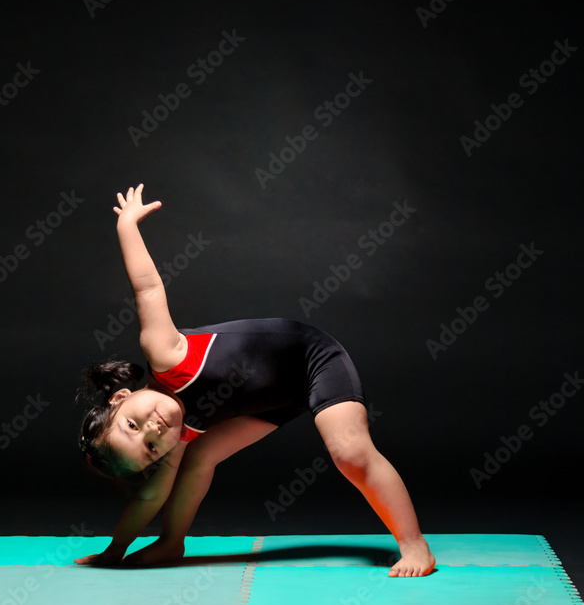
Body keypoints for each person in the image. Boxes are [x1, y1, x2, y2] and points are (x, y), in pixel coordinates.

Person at [75, 185, 435, 577]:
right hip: (277, 398)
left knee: (349, 452)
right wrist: (116, 549)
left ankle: (415, 546)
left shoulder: (166, 354)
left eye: (133, 423)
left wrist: (127, 224)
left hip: (313, 360)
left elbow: (147, 288)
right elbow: (150, 494)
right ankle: (171, 544)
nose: (154, 430)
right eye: (149, 447)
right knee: (198, 456)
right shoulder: (178, 435)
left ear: (121, 397)